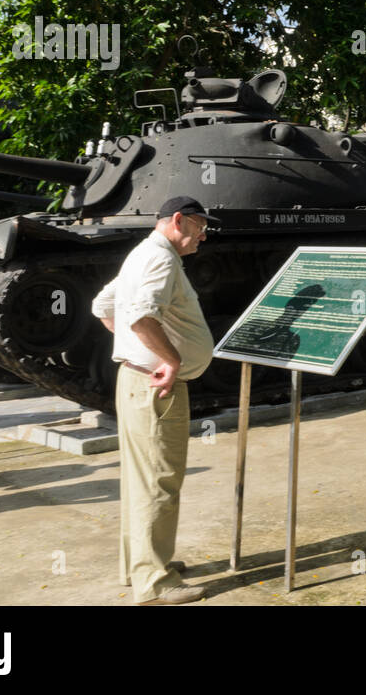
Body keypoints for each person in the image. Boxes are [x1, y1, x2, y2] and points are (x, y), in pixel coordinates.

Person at [92, 196, 218, 605]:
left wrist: (133, 348)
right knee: (160, 481)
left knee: (140, 479)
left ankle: (142, 564)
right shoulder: (161, 259)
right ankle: (156, 584)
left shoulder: (142, 253)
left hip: (135, 379)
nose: (204, 234)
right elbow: (140, 316)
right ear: (178, 220)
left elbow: (102, 305)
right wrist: (169, 358)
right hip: (156, 387)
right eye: (200, 225)